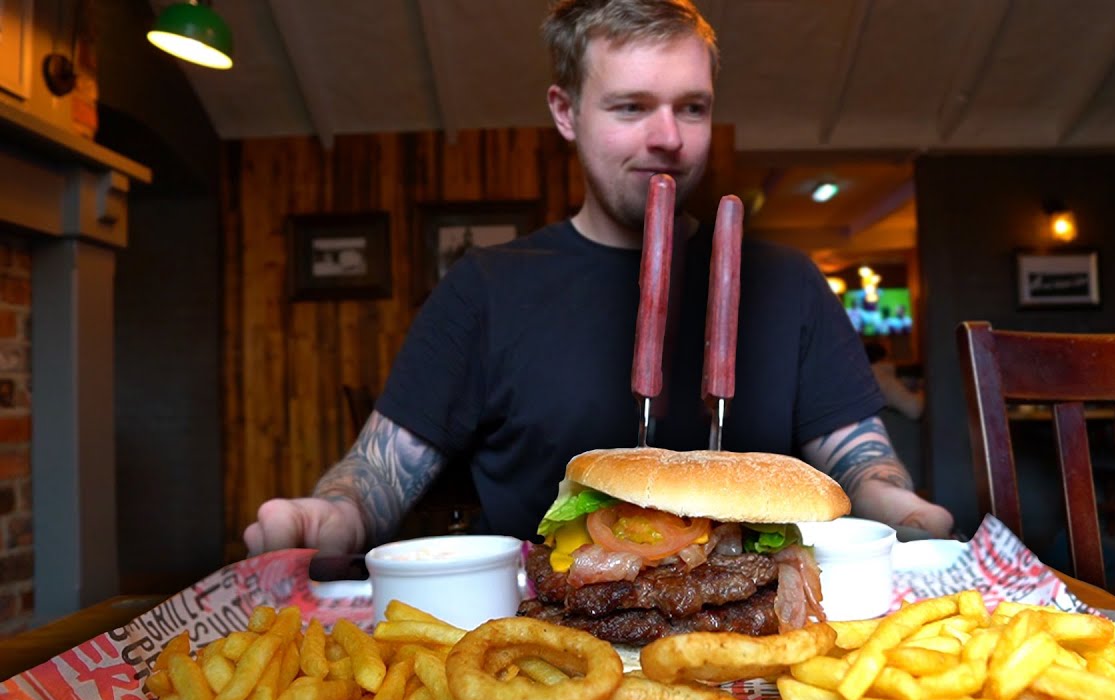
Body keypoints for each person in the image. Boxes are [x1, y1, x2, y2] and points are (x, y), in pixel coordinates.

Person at [243, 0, 954, 557]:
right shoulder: (485, 291)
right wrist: (333, 512)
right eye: (631, 106)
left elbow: (862, 462)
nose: (668, 137)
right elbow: (377, 473)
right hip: (541, 643)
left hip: (762, 647)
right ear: (565, 113)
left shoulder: (789, 284)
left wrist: (901, 508)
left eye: (692, 107)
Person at [865, 340, 924, 421]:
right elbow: (915, 409)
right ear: (881, 360)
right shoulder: (880, 376)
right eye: (890, 359)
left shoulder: (864, 376)